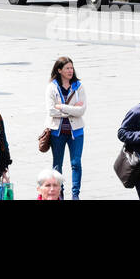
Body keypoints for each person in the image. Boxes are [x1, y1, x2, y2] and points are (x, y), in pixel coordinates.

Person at [46, 56, 87, 201]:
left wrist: (62, 107)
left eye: (71, 68)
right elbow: (51, 111)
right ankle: (60, 193)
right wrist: (71, 110)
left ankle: (75, 195)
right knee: (57, 164)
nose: (70, 71)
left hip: (76, 132)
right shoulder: (52, 87)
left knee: (76, 163)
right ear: (59, 70)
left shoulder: (78, 86)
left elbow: (81, 110)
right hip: (57, 132)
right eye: (67, 68)